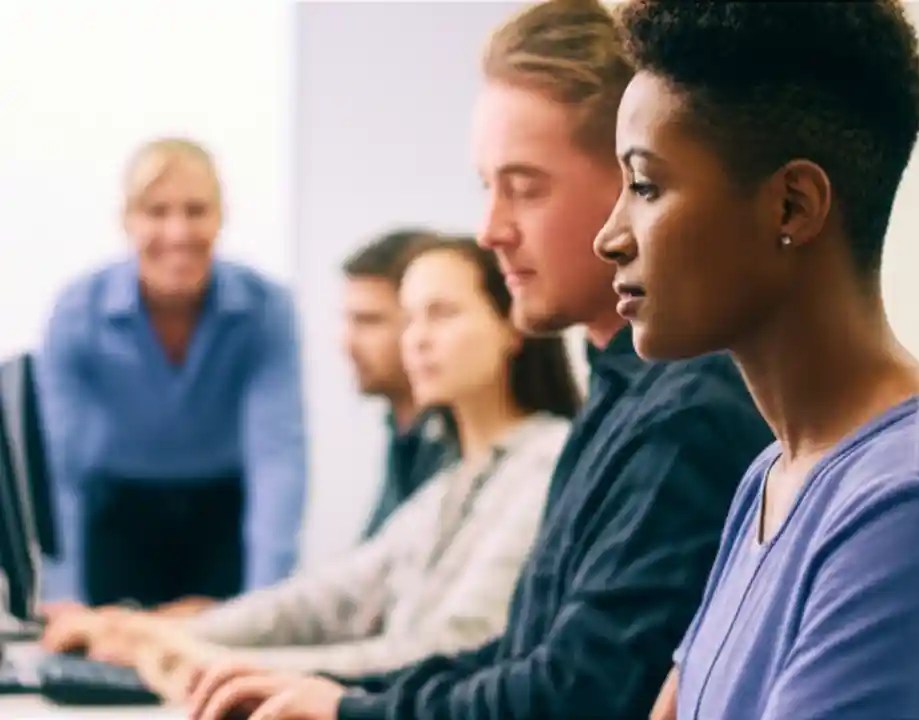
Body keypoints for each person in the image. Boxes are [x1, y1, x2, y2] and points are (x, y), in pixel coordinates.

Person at [185, 1, 772, 718]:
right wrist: (340, 699)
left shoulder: (686, 414)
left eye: (524, 189)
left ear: (633, 184)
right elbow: (522, 656)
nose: (490, 230)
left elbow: (577, 697)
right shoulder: (621, 397)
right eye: (486, 187)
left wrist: (345, 711)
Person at [593, 2, 919, 718]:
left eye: (645, 186)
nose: (611, 235)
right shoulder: (773, 478)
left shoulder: (917, 499)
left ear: (792, 207)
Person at [74, 238, 576, 686]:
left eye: (441, 314)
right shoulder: (454, 480)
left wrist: (207, 658)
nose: (416, 340)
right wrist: (161, 633)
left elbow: (454, 647)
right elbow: (329, 598)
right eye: (411, 317)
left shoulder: (547, 463)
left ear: (514, 326)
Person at [36, 137, 307, 609]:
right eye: (156, 212)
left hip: (222, 517)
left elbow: (278, 458)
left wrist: (268, 601)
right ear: (127, 220)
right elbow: (61, 469)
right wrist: (63, 595)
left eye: (196, 210)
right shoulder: (78, 311)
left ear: (221, 216)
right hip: (116, 522)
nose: (178, 232)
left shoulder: (267, 309)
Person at [338, 229, 460, 538]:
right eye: (347, 321)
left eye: (369, 321)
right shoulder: (404, 430)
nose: (347, 343)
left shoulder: (458, 445)